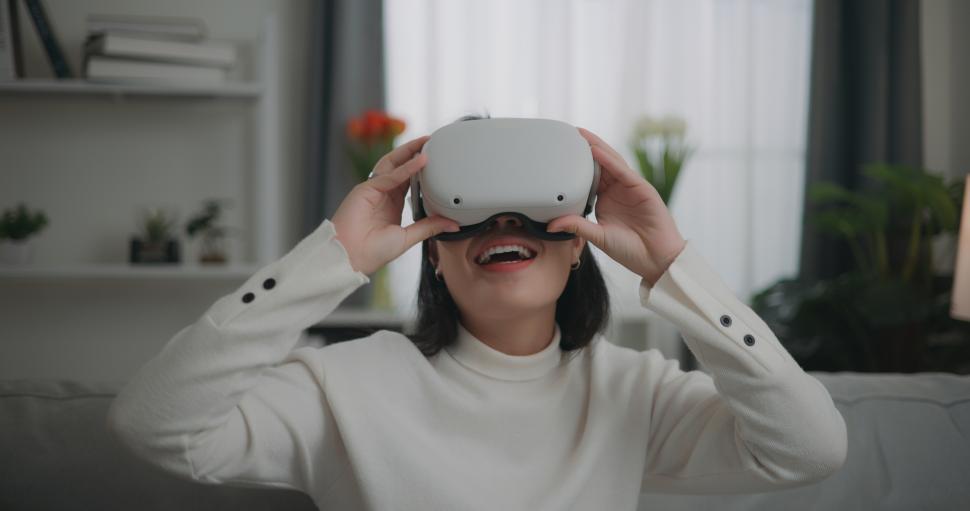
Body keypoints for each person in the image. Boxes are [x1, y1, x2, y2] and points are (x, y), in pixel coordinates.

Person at [107, 123, 848, 511]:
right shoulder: (342, 385)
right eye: (470, 215)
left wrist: (670, 266)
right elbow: (153, 424)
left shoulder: (635, 393)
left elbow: (810, 449)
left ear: (580, 247)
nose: (504, 226)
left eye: (536, 215)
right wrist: (335, 256)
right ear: (431, 252)